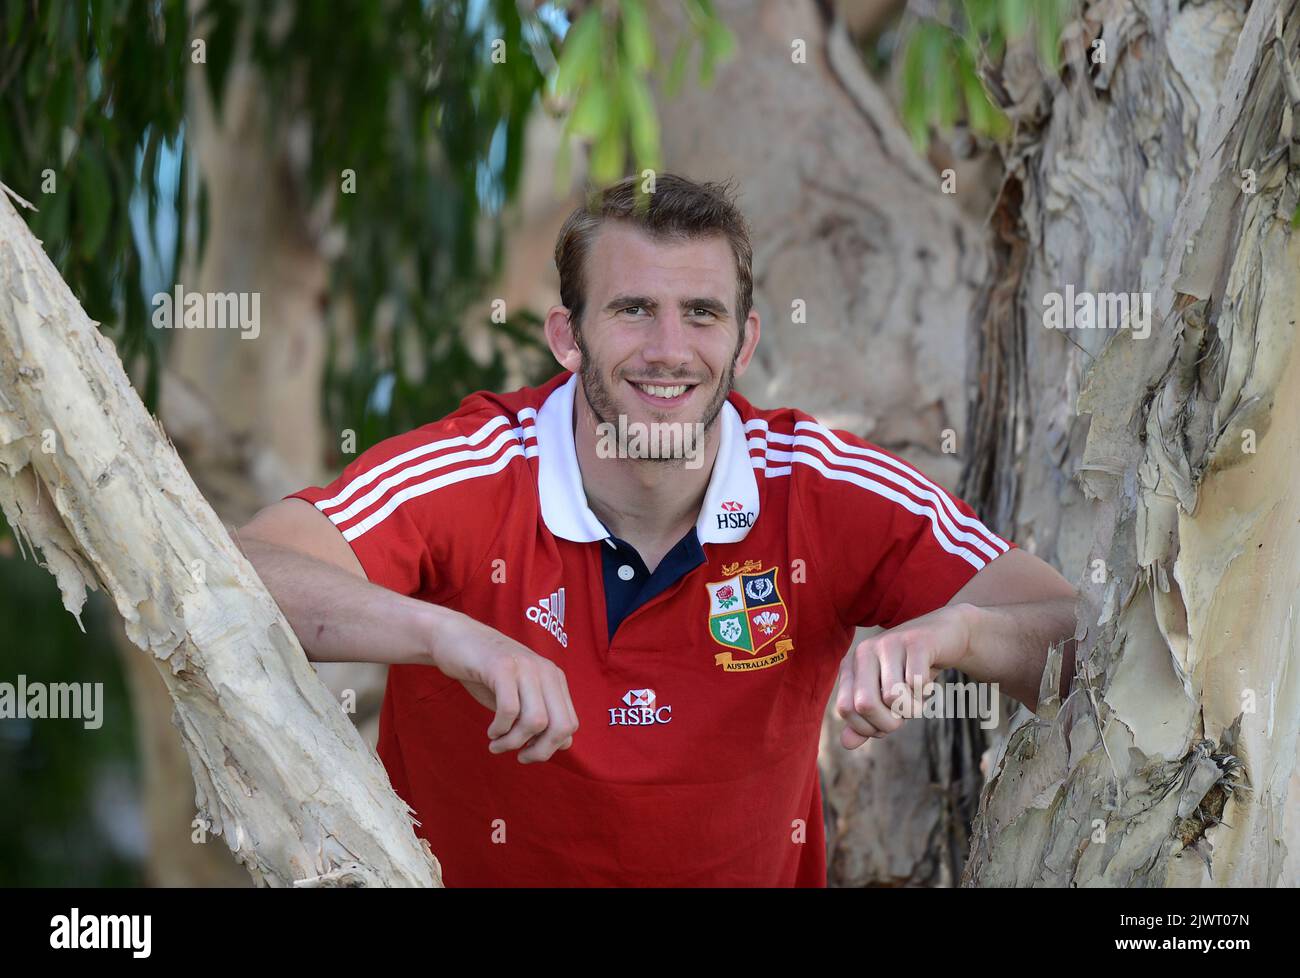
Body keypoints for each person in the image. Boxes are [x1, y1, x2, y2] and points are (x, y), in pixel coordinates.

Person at [237, 173, 1077, 887]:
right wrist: (447, 634)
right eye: (634, 309)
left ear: (745, 340)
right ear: (567, 336)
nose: (669, 349)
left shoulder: (822, 485)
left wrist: (953, 633)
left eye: (702, 314)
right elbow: (246, 569)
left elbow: (1079, 643)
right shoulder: (475, 468)